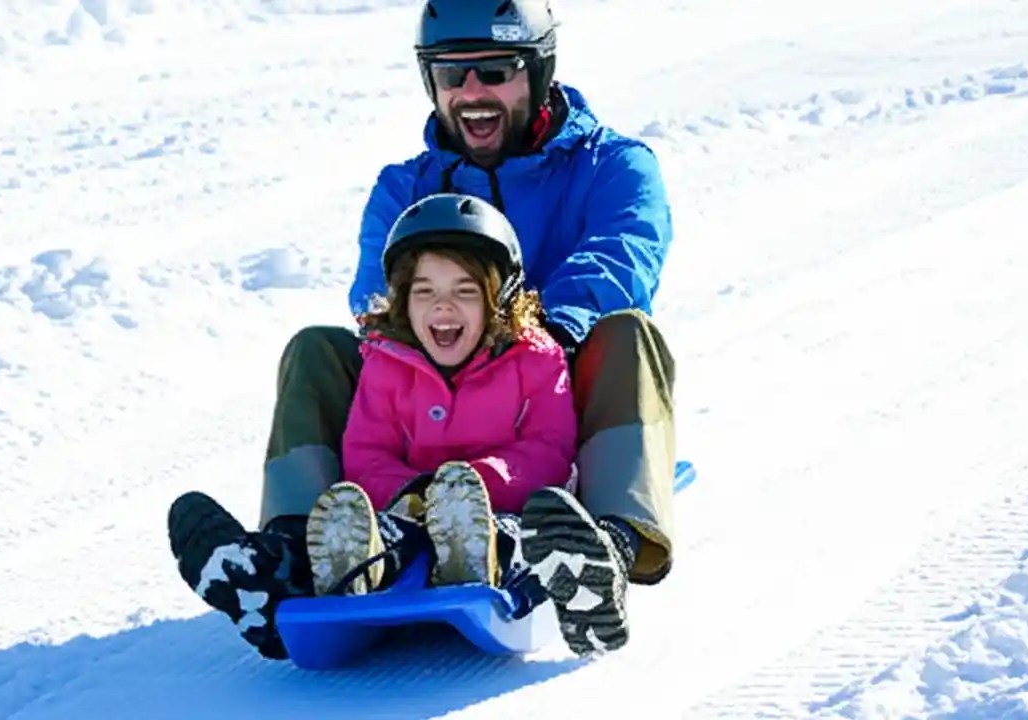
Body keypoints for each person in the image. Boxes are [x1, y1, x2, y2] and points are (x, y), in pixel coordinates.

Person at [168, 0, 678, 660]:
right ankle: (292, 555)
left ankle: (600, 552)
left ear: (540, 70)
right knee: (317, 349)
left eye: (494, 72)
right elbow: (375, 294)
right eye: (450, 75)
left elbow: (622, 254)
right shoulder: (406, 184)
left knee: (630, 335)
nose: (471, 94)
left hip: (549, 385)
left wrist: (526, 334)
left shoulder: (610, 165)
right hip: (425, 396)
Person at [303, 192, 577, 600]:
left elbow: (549, 450)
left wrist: (475, 486)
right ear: (403, 301)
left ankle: (478, 560)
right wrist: (417, 492)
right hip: (408, 508)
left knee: (512, 535)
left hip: (503, 509)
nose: (442, 307)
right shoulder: (387, 362)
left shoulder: (535, 358)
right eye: (424, 292)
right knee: (392, 533)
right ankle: (357, 566)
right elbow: (366, 452)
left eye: (465, 291)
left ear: (499, 300)